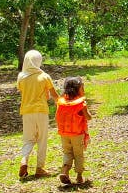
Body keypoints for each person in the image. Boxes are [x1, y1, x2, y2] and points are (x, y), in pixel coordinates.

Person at [17, 50, 59, 179]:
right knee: (42, 139)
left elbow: (24, 93)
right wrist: (62, 106)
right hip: (41, 111)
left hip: (26, 112)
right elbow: (53, 96)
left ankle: (24, 160)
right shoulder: (44, 76)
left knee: (28, 139)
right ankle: (40, 168)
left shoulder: (21, 77)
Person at [55, 77, 92, 185]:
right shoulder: (80, 103)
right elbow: (88, 117)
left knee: (67, 153)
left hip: (64, 134)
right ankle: (79, 176)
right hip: (77, 134)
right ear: (78, 89)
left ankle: (65, 172)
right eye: (82, 87)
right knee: (78, 154)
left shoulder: (61, 102)